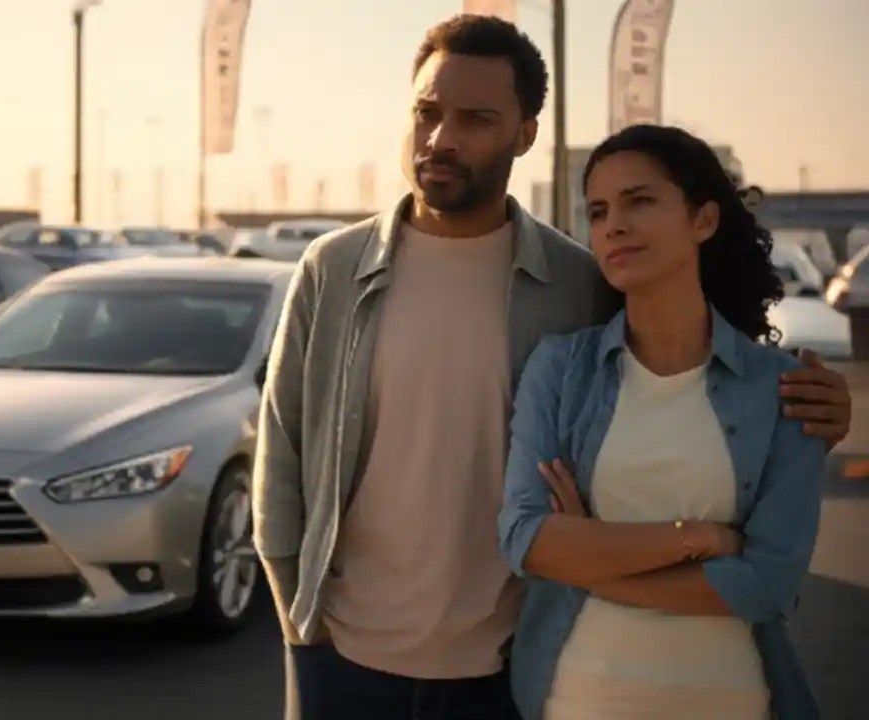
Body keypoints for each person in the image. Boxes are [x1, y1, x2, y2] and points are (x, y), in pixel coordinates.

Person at [252, 14, 850, 720]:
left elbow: (682, 365)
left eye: (475, 118)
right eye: (426, 113)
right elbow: (282, 459)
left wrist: (821, 409)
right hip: (343, 658)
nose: (441, 138)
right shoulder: (333, 270)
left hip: (507, 662)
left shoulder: (578, 280)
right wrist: (302, 626)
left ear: (524, 134)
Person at [497, 125, 825, 720]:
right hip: (579, 699)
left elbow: (768, 584)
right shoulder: (562, 370)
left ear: (703, 220)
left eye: (639, 201)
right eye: (597, 211)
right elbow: (529, 539)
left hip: (731, 701)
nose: (613, 225)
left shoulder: (782, 389)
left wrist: (591, 559)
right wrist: (700, 539)